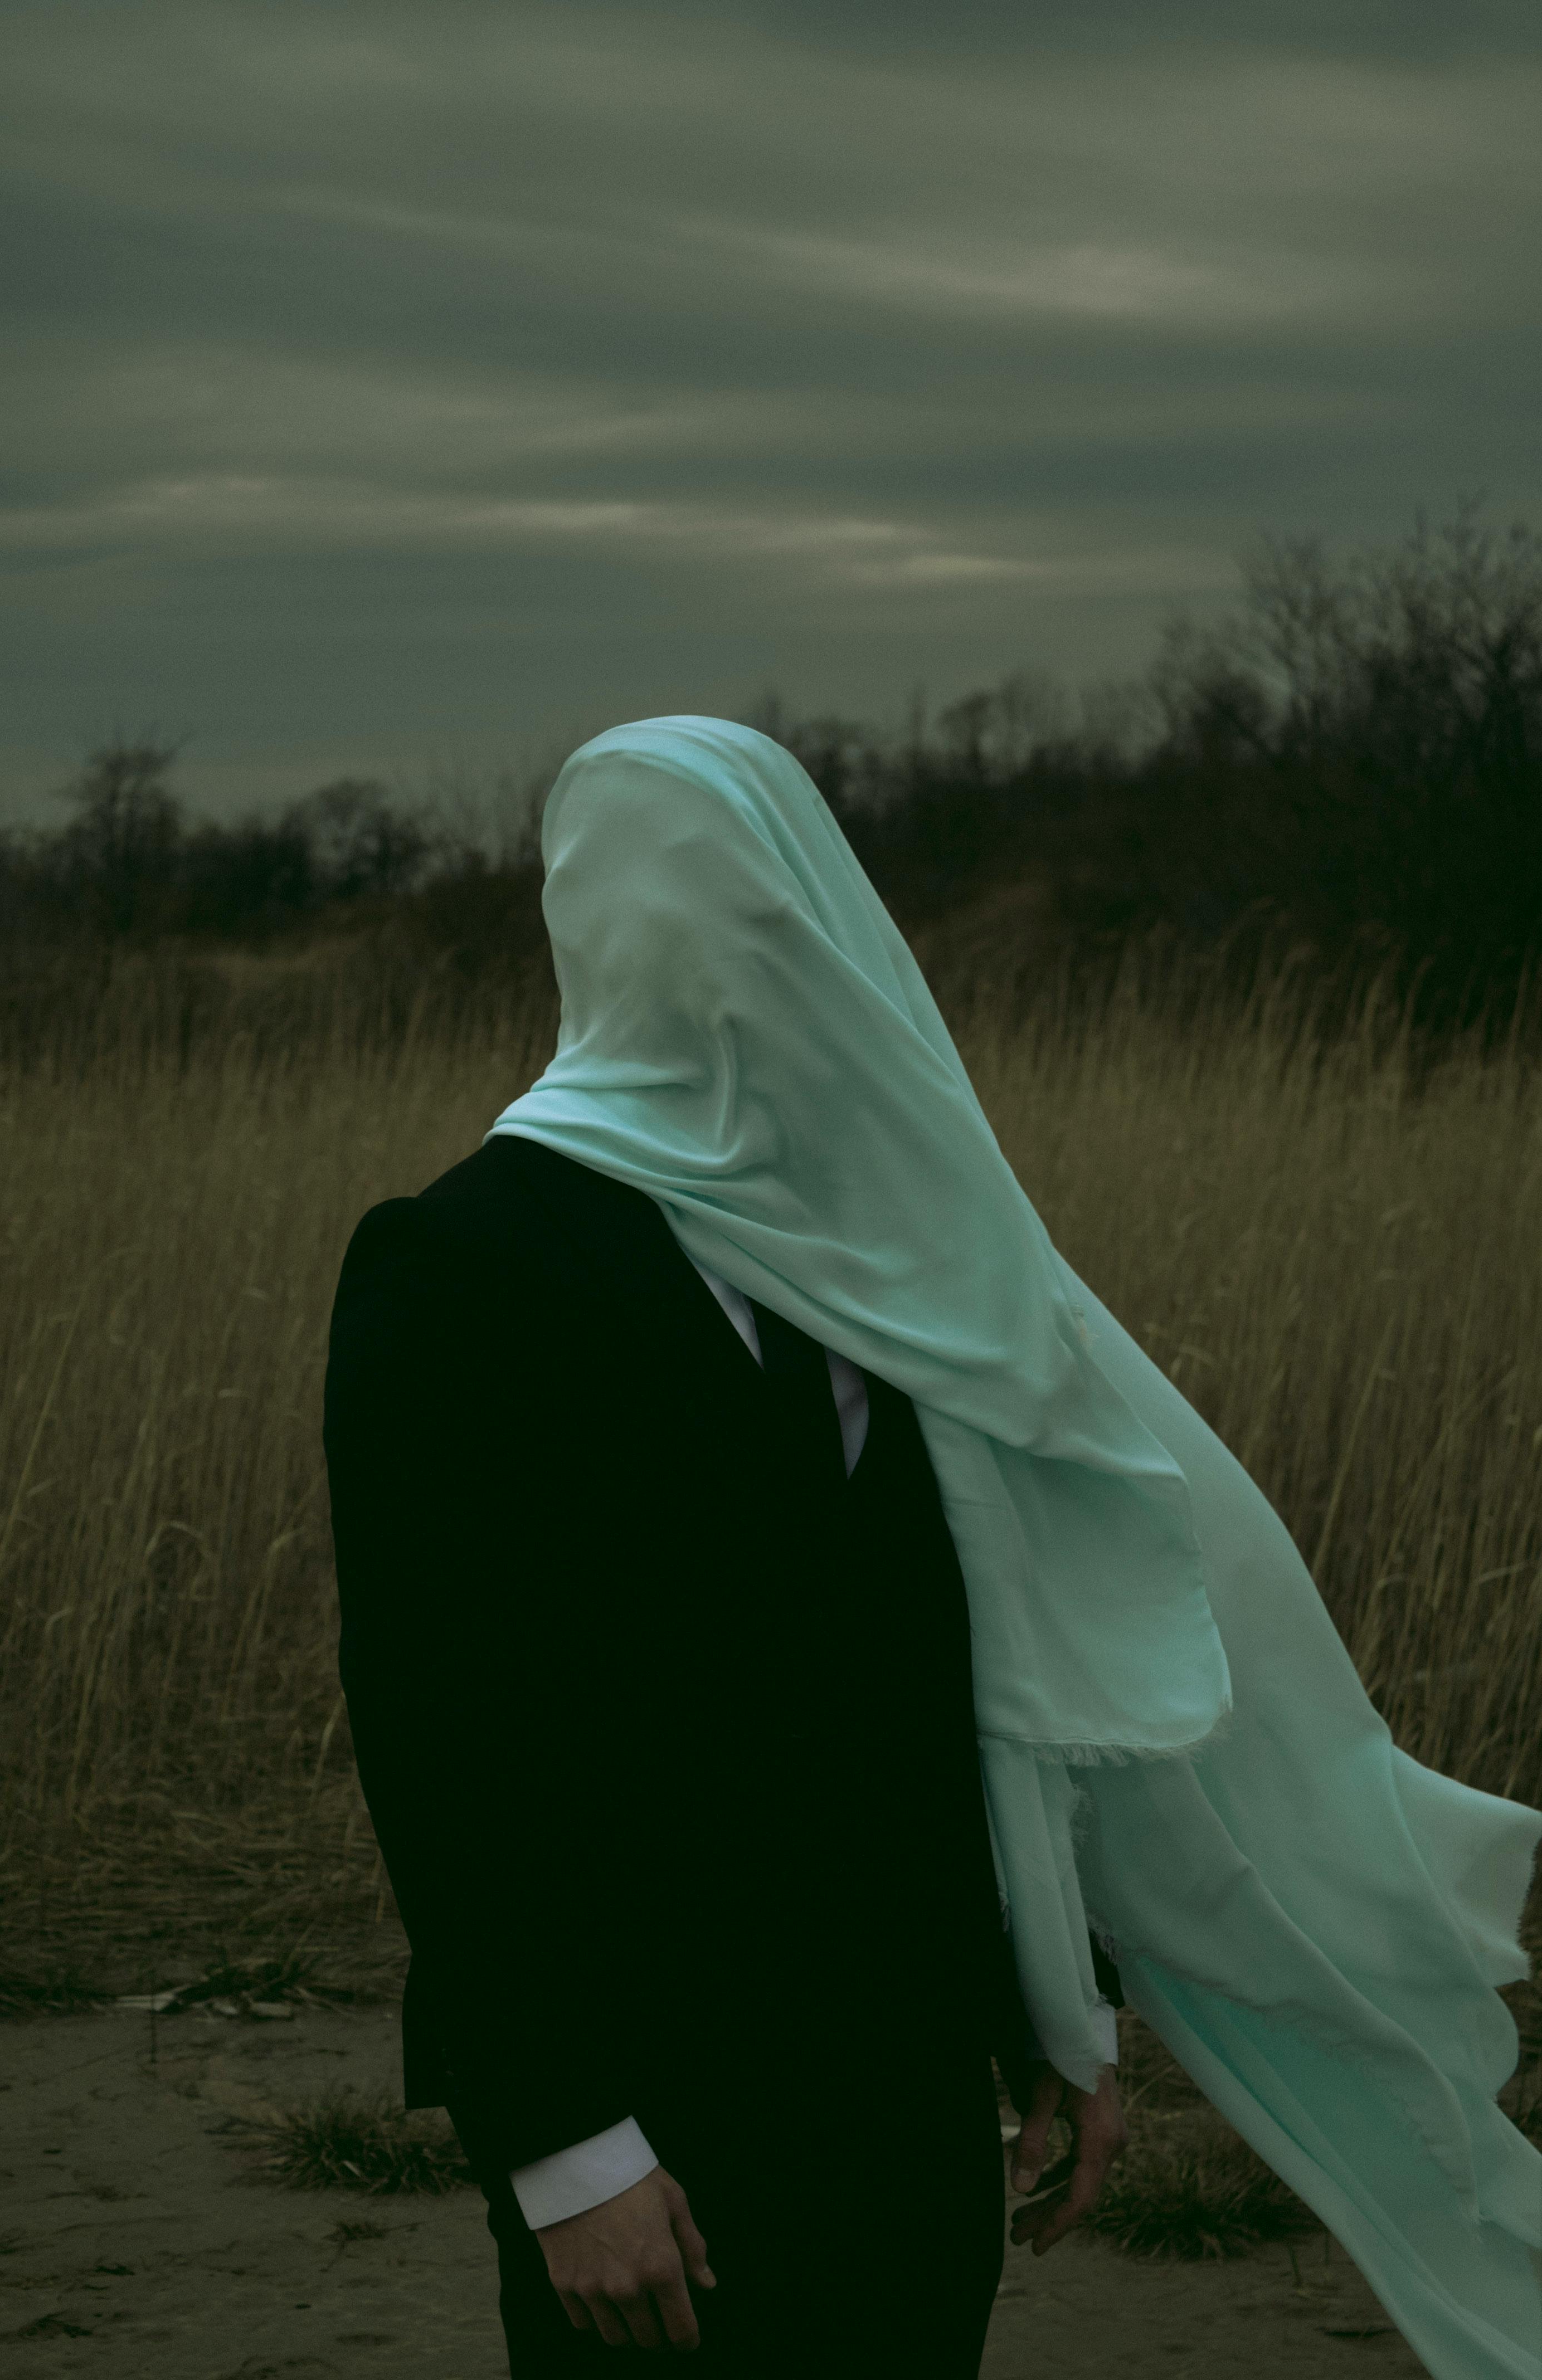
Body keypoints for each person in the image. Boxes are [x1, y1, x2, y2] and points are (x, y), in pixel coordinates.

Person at [323, 715, 1540, 2380]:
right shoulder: (463, 1263)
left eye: (781, 913)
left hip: (898, 2088)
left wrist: (1043, 1997)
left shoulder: (886, 1253)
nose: (760, 957)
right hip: (647, 2111)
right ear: (601, 933)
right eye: (707, 914)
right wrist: (563, 2147)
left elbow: (957, 1659)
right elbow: (445, 1732)